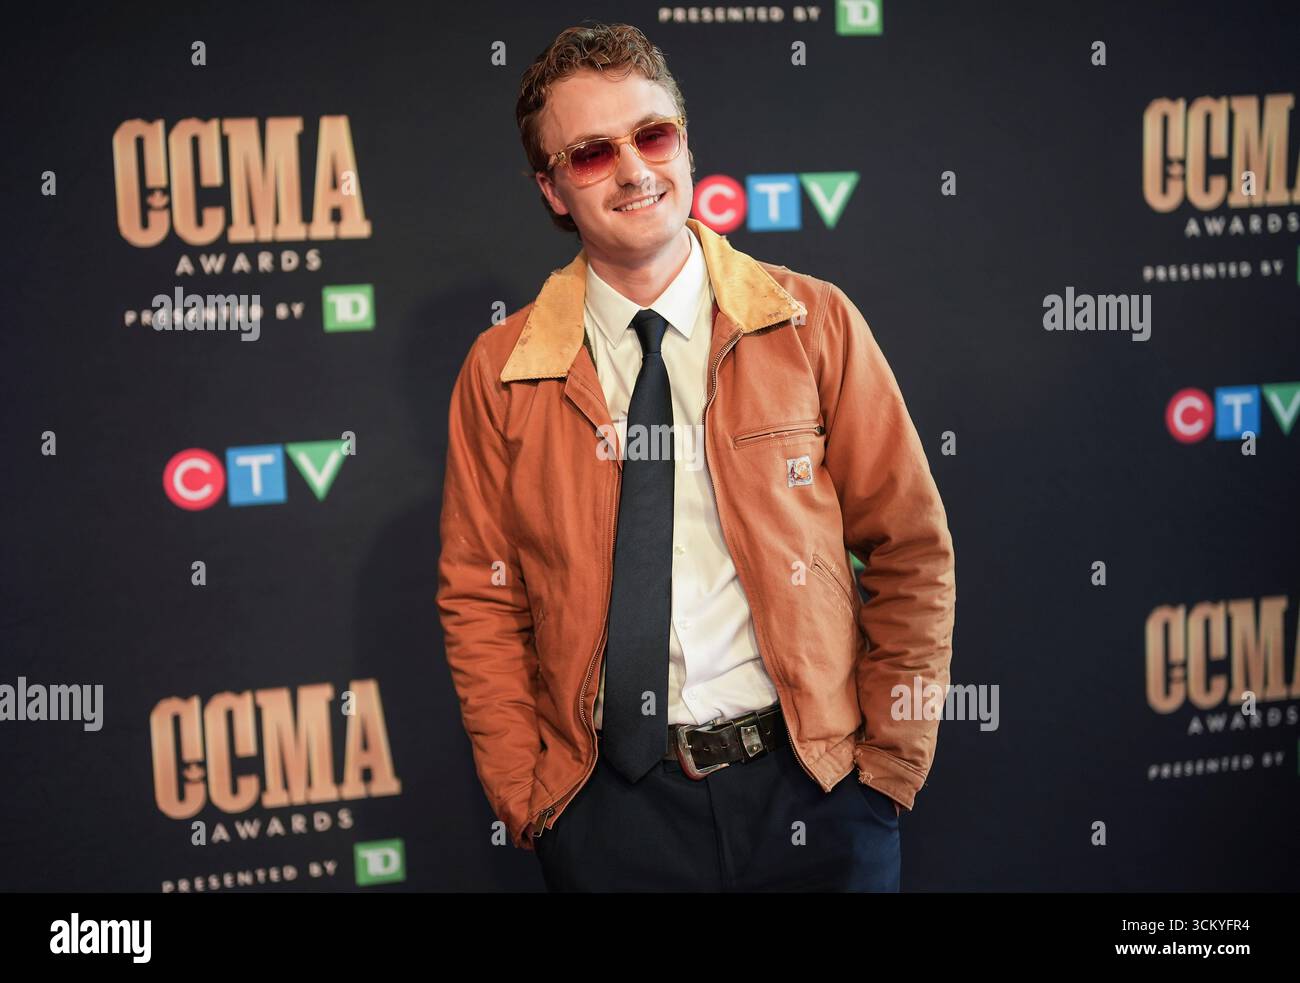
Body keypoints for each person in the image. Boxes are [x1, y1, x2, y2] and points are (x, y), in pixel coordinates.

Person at [436, 22, 955, 892]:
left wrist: (889, 766)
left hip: (819, 794)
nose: (636, 169)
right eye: (592, 153)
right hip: (607, 817)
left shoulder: (811, 322)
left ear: (684, 143)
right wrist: (528, 794)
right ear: (553, 188)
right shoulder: (501, 372)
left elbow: (911, 547)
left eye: (652, 134)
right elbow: (479, 599)